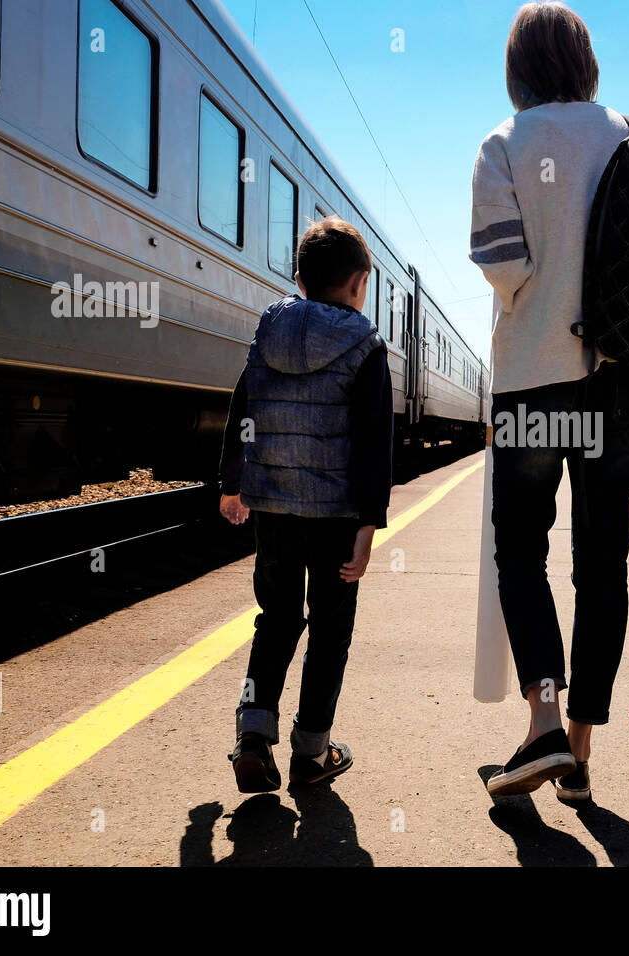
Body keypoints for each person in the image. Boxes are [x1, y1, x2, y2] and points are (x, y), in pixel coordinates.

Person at [470, 1, 629, 801]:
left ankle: (543, 720)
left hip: (533, 380)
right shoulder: (628, 139)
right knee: (600, 563)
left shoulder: (503, 145)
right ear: (585, 62)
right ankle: (579, 748)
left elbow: (505, 268)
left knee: (522, 555)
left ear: (519, 69)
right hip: (615, 381)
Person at [217, 217, 393, 793]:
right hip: (338, 516)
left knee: (276, 621)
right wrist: (371, 522)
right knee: (330, 629)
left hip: (274, 511)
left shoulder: (267, 331)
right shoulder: (365, 346)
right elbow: (373, 442)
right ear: (360, 282)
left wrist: (231, 484)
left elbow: (242, 408)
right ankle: (312, 752)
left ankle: (252, 736)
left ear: (299, 278)